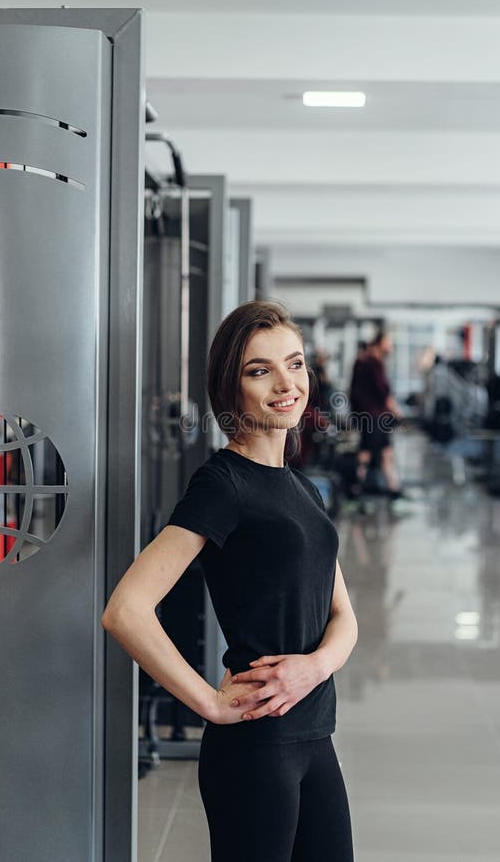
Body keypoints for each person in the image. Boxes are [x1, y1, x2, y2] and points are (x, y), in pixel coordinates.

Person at [101, 299, 357, 862]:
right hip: (256, 747)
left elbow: (345, 617)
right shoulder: (223, 484)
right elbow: (125, 610)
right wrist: (210, 707)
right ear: (230, 389)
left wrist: (311, 668)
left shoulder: (304, 489)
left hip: (315, 733)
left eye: (294, 364)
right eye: (259, 370)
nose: (286, 383)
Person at [349, 330, 404, 500]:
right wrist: (397, 412)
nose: (391, 346)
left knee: (385, 451)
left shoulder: (363, 361)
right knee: (367, 451)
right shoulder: (373, 363)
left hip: (372, 416)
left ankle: (392, 485)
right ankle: (356, 484)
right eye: (389, 342)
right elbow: (383, 391)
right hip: (374, 416)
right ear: (380, 342)